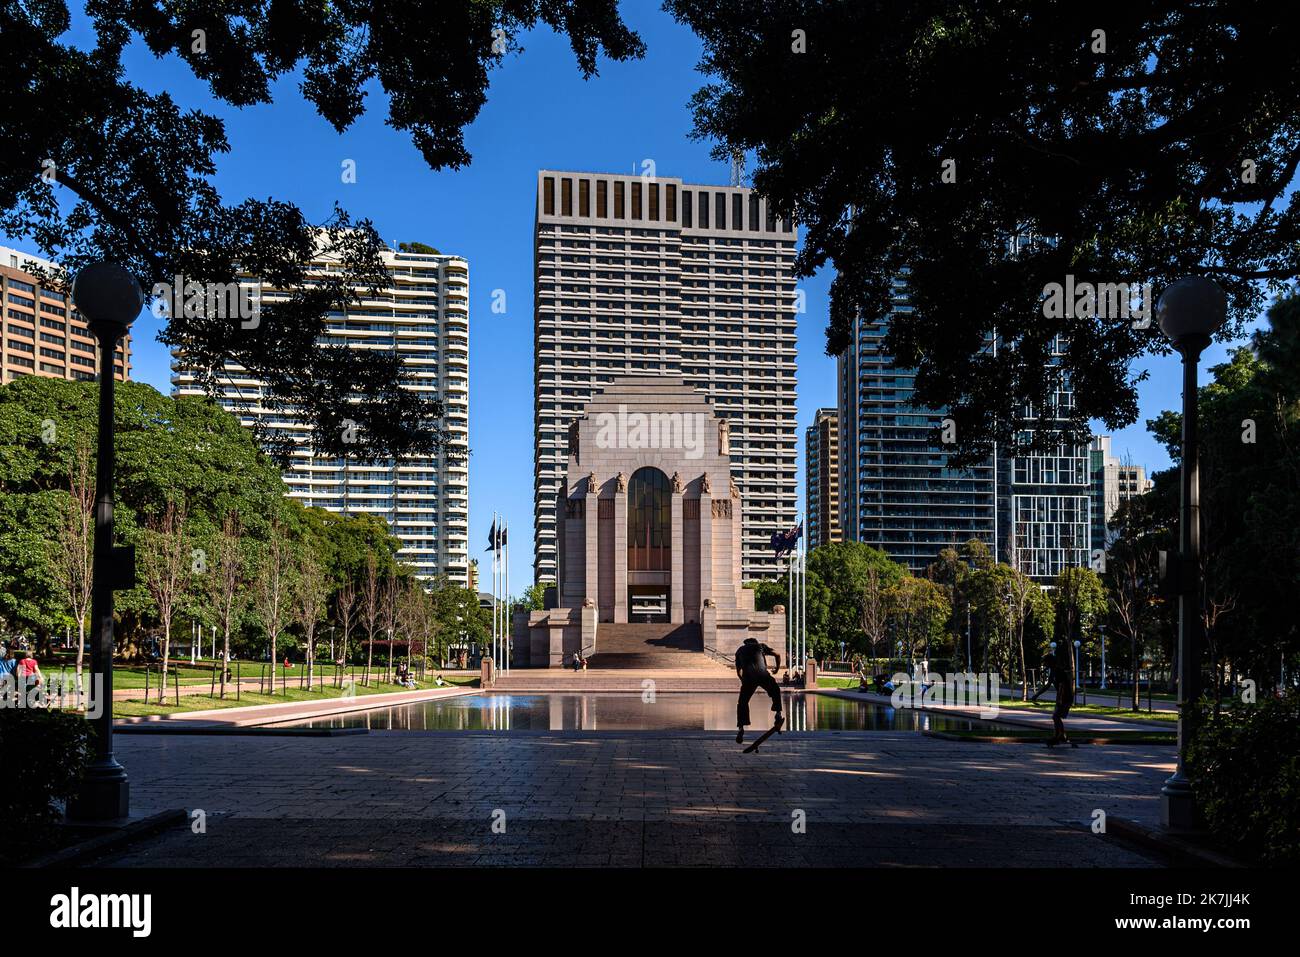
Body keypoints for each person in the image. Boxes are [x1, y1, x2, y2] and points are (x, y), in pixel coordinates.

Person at [734, 636, 783, 745]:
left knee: (742, 703)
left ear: (745, 644)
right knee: (775, 690)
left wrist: (744, 681)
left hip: (748, 678)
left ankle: (741, 728)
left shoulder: (739, 651)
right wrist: (777, 669)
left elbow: (739, 672)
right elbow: (778, 654)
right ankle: (778, 713)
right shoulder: (760, 646)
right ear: (755, 642)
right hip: (763, 675)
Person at [1043, 652, 1077, 748]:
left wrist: (1059, 699)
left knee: (1056, 717)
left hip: (1066, 697)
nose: (1044, 664)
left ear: (1050, 662)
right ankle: (1060, 735)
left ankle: (1060, 735)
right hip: (1061, 697)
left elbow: (1062, 686)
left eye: (1045, 662)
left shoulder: (1058, 671)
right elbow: (1048, 685)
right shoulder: (1053, 672)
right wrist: (1036, 695)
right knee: (1056, 717)